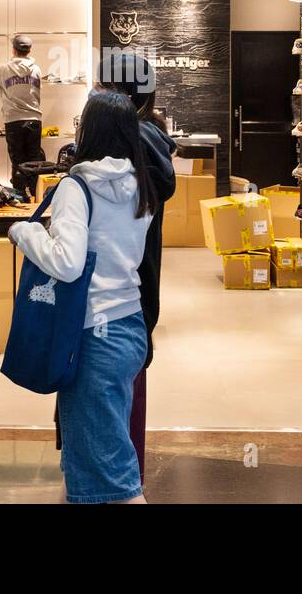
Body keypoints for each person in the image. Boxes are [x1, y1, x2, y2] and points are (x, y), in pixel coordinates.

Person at [8, 91, 157, 504]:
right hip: (129, 327)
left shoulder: (77, 187)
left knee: (114, 477)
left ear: (87, 129)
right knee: (91, 459)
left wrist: (27, 233)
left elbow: (68, 264)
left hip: (93, 332)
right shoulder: (140, 184)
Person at [94, 51, 177, 482]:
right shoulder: (151, 136)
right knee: (126, 387)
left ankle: (118, 481)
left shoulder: (128, 144)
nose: (95, 93)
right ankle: (123, 475)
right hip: (137, 288)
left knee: (114, 395)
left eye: (102, 87)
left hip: (118, 293)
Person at [0, 34, 43, 197]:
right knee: (34, 160)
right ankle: (36, 194)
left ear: (13, 50)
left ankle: (19, 196)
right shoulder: (36, 69)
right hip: (34, 119)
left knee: (17, 161)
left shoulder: (4, 69)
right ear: (30, 50)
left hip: (14, 120)